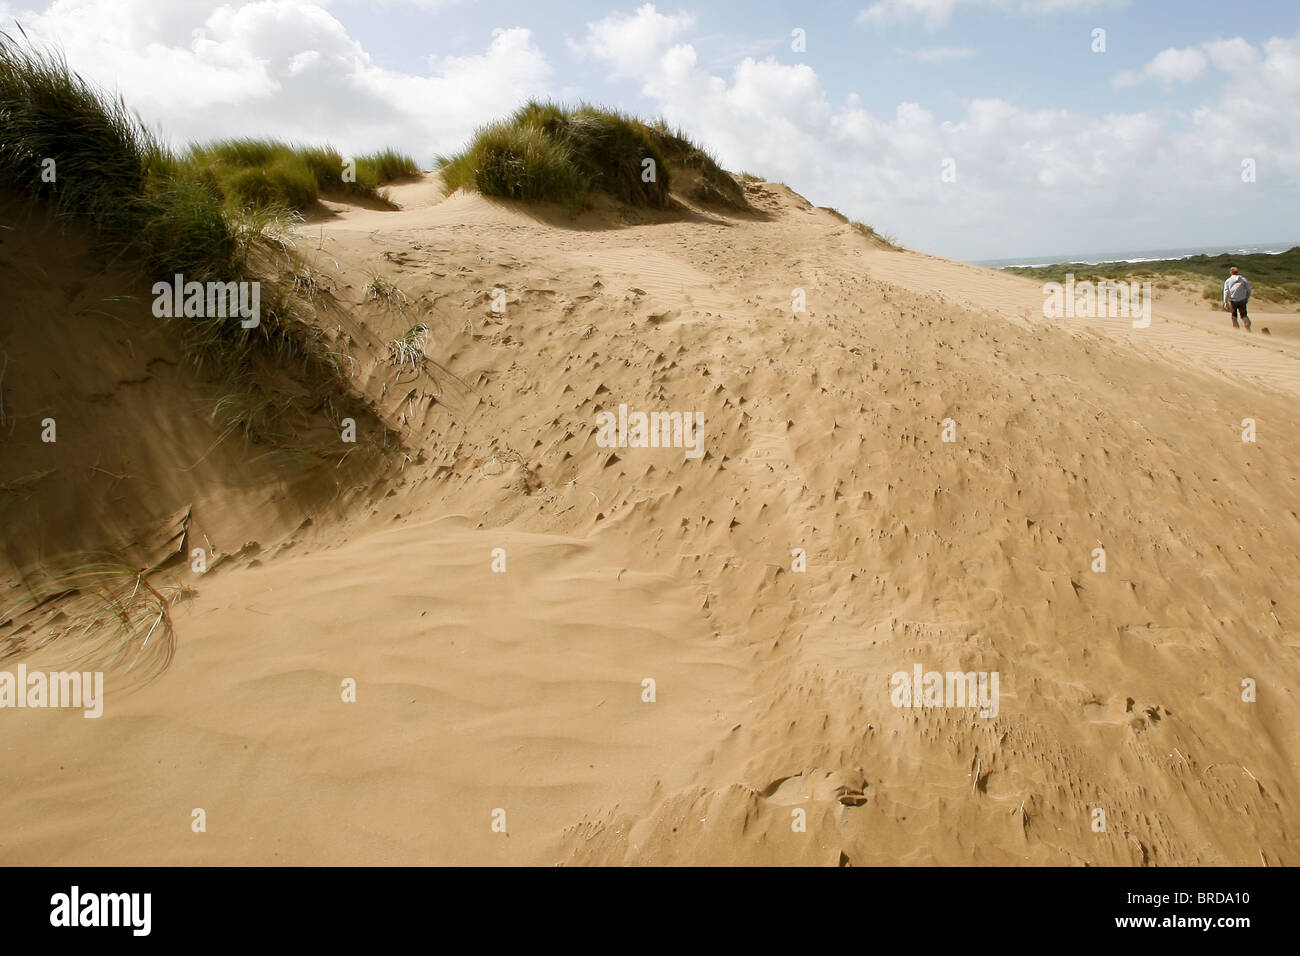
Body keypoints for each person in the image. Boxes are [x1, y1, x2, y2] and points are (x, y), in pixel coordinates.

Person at [1223, 266, 1252, 331]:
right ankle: (1247, 326)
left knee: (1234, 314)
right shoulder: (1243, 279)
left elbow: (1226, 291)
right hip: (1242, 299)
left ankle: (1236, 328)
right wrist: (1247, 297)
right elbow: (1249, 290)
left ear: (1231, 272)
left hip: (1233, 299)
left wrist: (1225, 302)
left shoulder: (1228, 281)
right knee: (1244, 314)